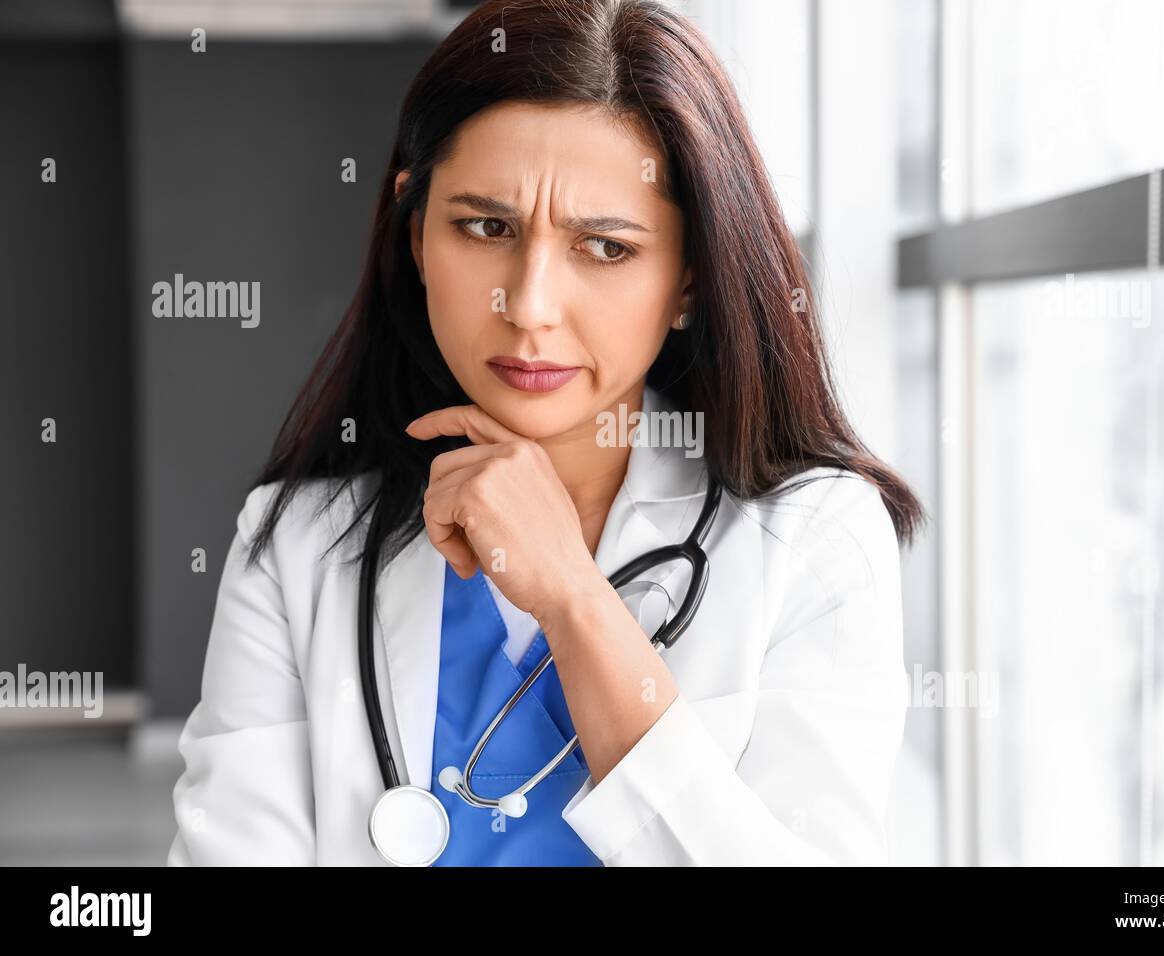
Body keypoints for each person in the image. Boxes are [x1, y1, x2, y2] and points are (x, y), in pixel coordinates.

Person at [166, 0, 925, 866]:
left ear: (689, 280)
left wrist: (573, 599)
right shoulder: (296, 545)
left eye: (604, 247)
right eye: (486, 228)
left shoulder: (816, 539)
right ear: (416, 233)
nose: (527, 306)